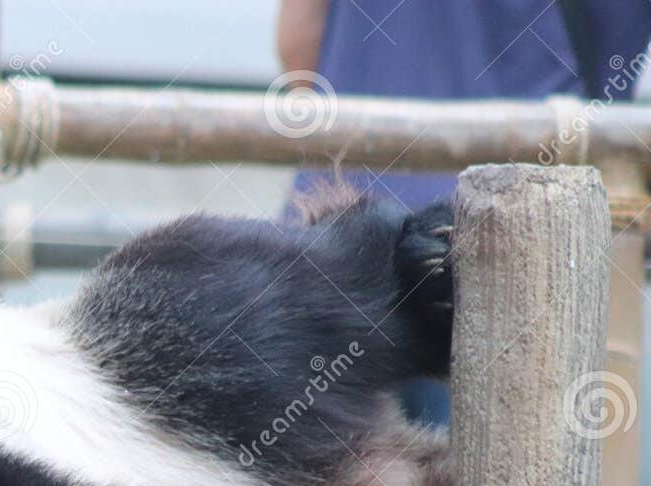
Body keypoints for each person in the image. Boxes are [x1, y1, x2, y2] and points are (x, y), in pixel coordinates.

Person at [277, 0, 651, 421]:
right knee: (495, 480)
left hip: (336, 230)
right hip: (519, 246)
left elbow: (297, 43)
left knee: (325, 473)